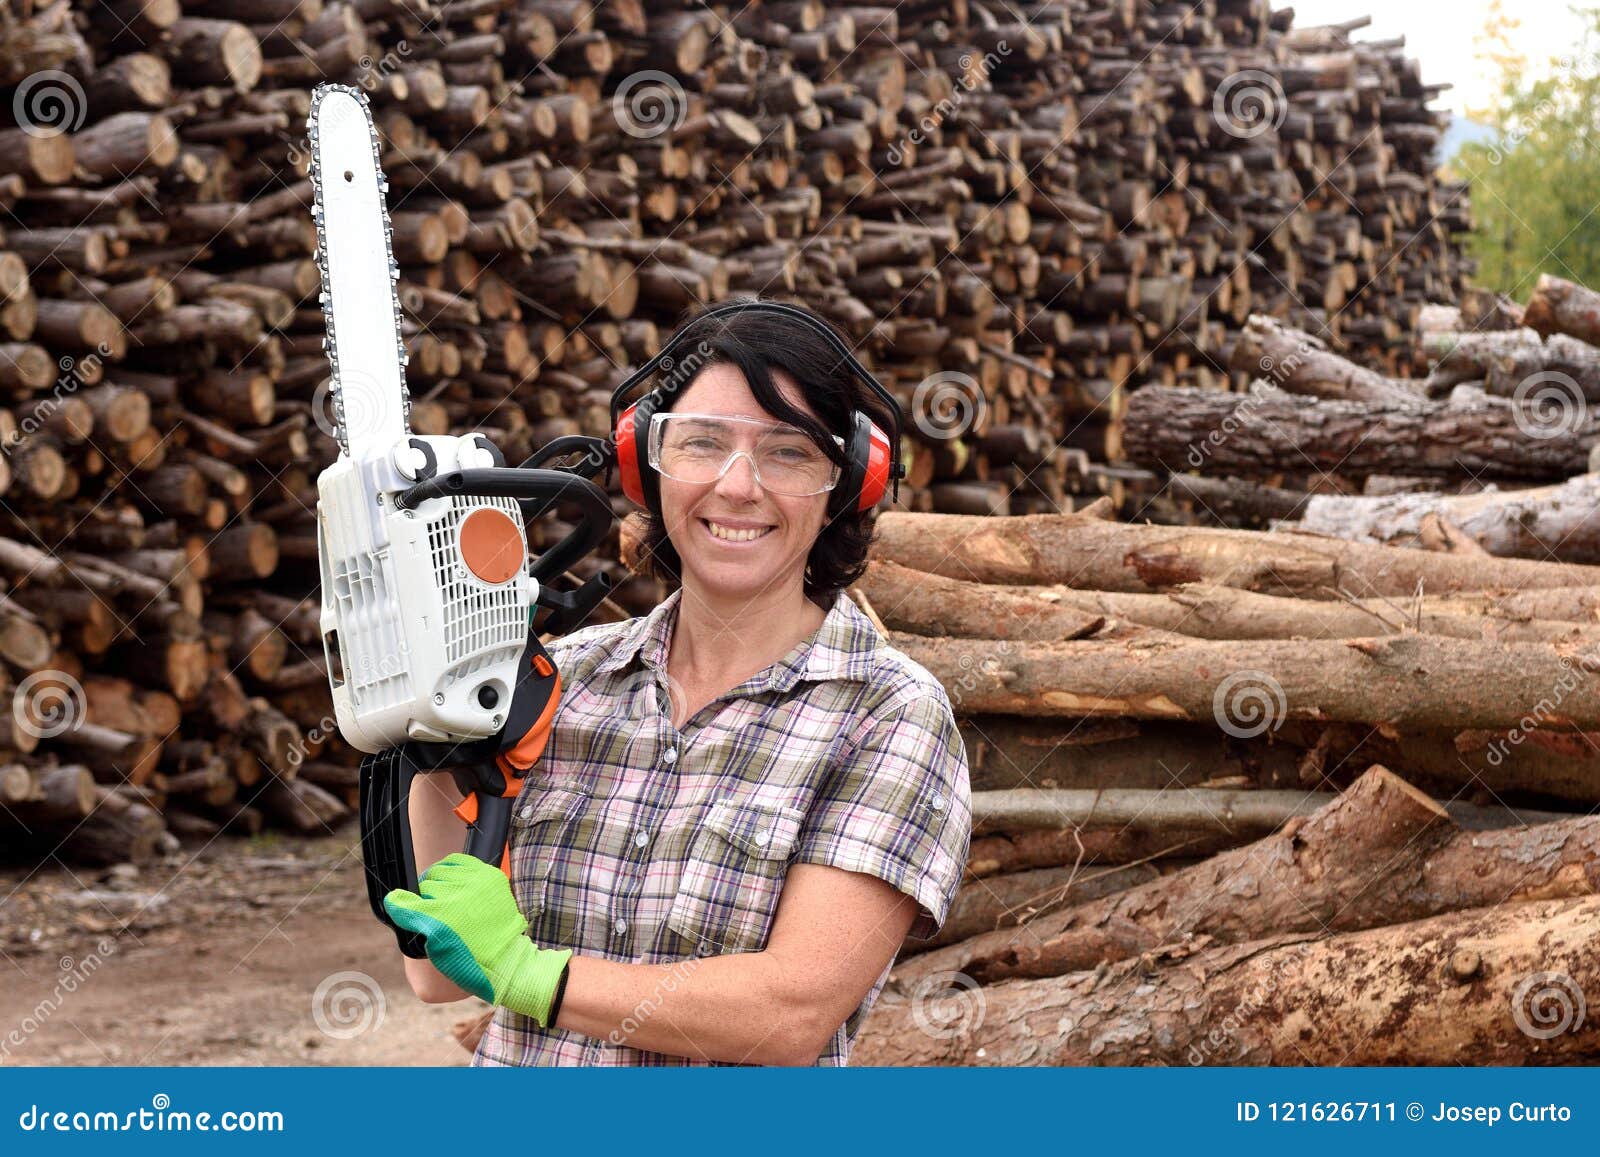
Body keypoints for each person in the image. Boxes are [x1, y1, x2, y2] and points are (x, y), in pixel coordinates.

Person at [384, 299, 972, 1065]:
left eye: (789, 452)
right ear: (643, 464)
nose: (737, 486)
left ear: (848, 483)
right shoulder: (560, 682)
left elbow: (793, 1011)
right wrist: (433, 722)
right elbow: (435, 974)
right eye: (702, 443)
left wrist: (534, 977)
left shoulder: (889, 715)